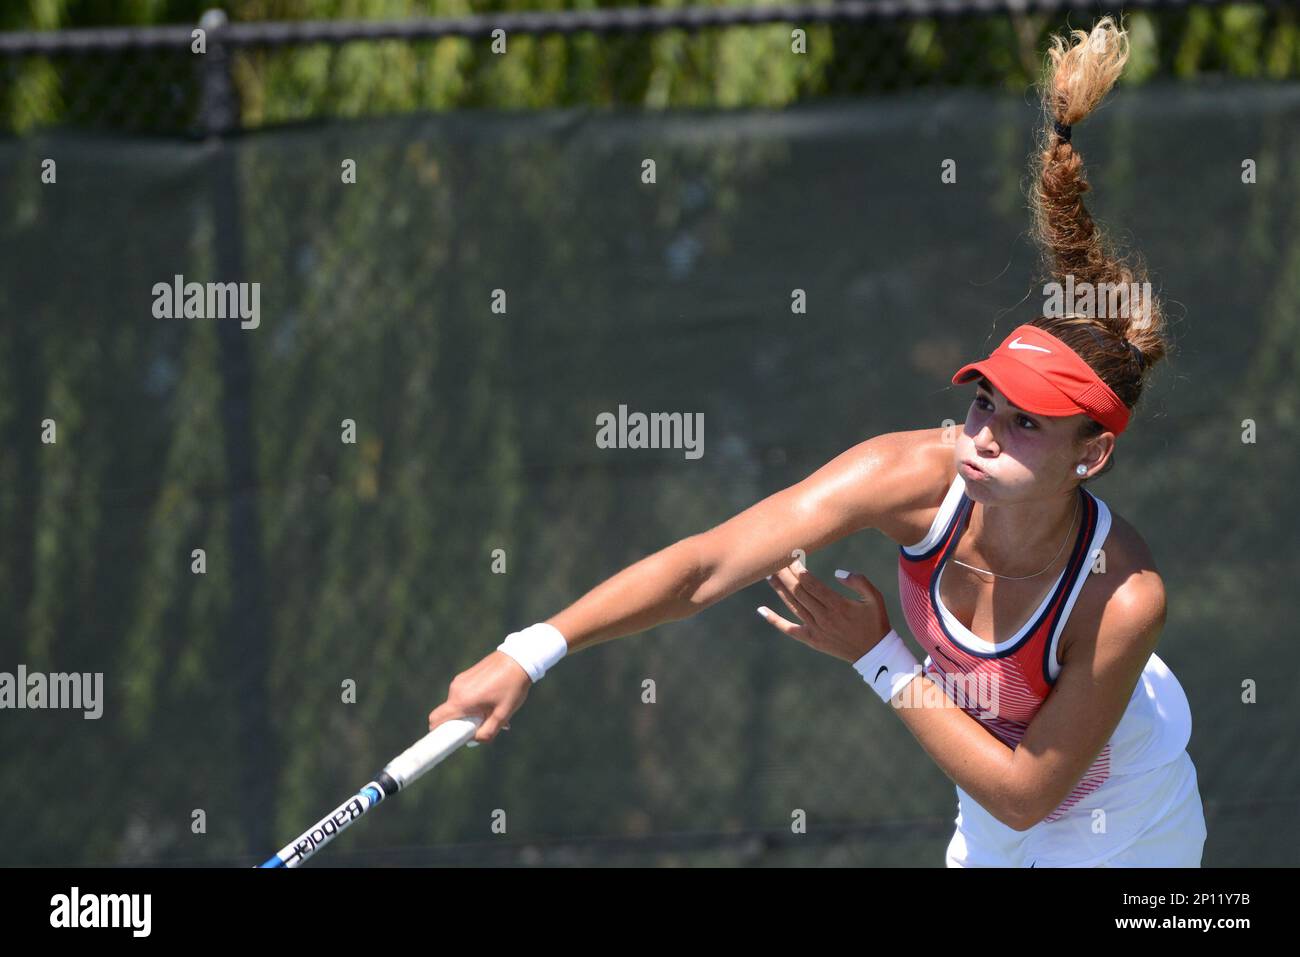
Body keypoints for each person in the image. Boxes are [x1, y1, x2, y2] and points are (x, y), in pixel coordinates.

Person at [426, 15, 1206, 867]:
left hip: (1124, 822)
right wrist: (527, 653)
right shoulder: (909, 475)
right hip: (989, 812)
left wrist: (876, 655)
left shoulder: (1123, 596)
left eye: (1026, 423)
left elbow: (1026, 793)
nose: (984, 434)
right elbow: (707, 565)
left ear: (1089, 456)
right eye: (985, 403)